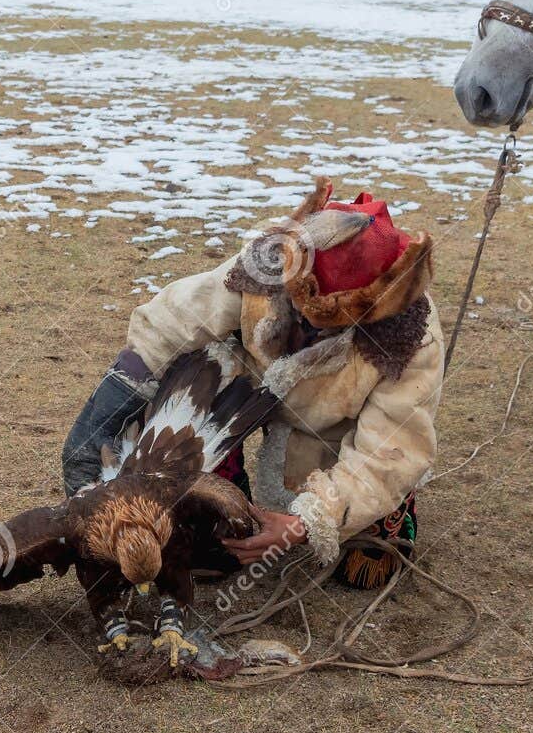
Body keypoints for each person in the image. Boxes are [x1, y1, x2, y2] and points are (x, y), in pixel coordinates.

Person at [62, 180, 441, 591]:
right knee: (207, 535)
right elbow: (177, 321)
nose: (309, 326)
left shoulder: (411, 336)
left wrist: (303, 524)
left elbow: (390, 451)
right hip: (242, 399)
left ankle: (359, 515)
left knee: (365, 564)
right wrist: (114, 402)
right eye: (301, 310)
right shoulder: (269, 262)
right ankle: (222, 492)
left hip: (333, 432)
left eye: (327, 322)